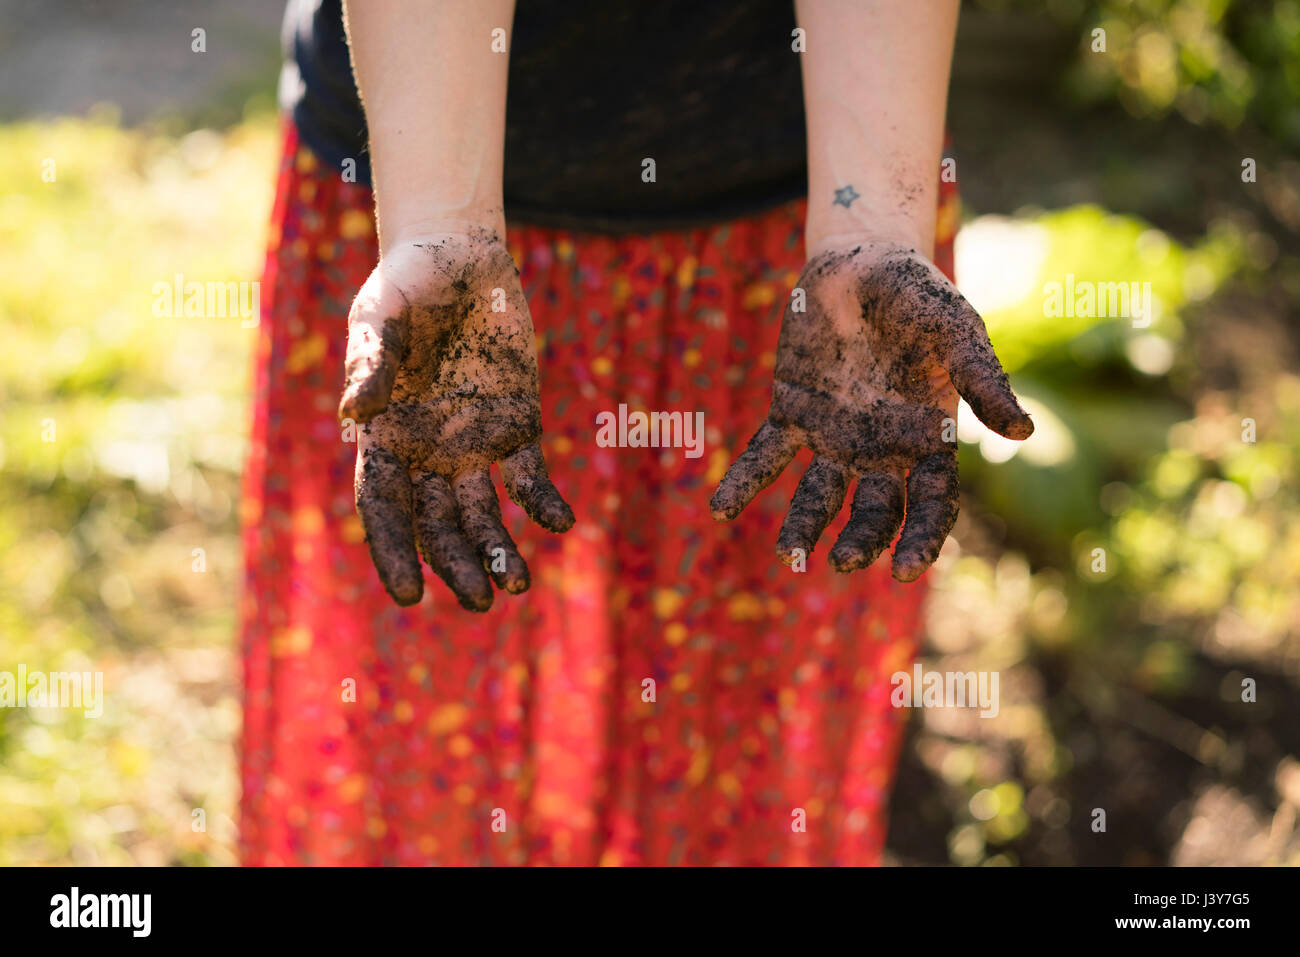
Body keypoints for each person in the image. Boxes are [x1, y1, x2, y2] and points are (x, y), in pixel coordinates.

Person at [240, 0, 1032, 865]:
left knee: (732, 747)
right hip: (416, 204)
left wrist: (872, 230)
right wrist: (435, 221)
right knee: (422, 736)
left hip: (803, 265)